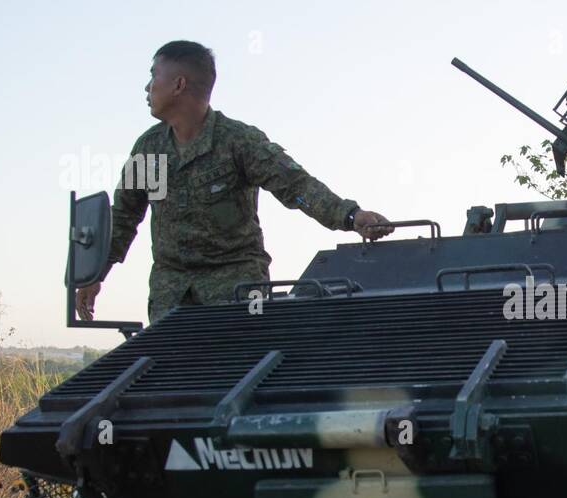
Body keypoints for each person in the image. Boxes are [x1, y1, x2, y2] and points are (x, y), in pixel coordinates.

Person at [76, 40, 391, 322]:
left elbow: (296, 186)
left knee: (242, 379)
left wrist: (350, 216)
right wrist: (95, 272)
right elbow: (124, 217)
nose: (147, 88)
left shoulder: (238, 141)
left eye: (153, 76)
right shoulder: (148, 150)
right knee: (173, 384)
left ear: (178, 84)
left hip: (239, 290)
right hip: (171, 295)